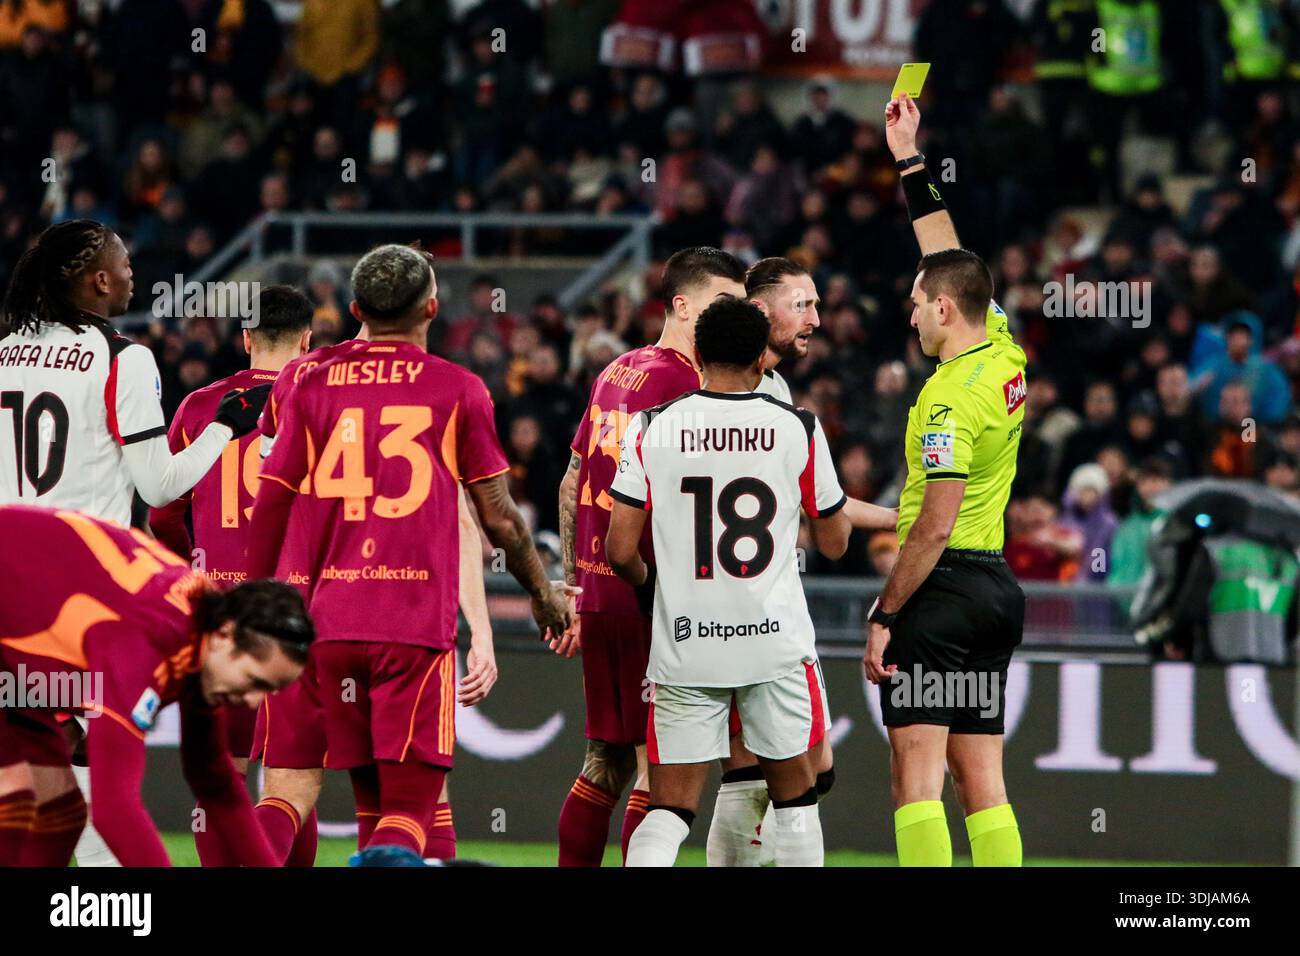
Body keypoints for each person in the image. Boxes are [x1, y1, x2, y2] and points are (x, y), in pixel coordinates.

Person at [246, 243, 570, 866]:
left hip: (321, 626)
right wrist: (542, 593)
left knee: (335, 795)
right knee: (410, 808)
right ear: (432, 306)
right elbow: (498, 518)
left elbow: (272, 496)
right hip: (409, 628)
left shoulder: (304, 380)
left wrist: (252, 602)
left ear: (353, 307)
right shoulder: (458, 390)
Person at [0, 218, 268, 867]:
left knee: (28, 797)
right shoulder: (124, 357)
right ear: (97, 279)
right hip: (85, 592)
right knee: (96, 797)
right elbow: (157, 483)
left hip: (10, 586)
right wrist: (222, 432)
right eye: (123, 264)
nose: (131, 274)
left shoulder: (6, 348)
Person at [609, 297, 850, 867]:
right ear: (761, 356)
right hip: (772, 640)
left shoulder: (652, 427)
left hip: (687, 642)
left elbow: (619, 550)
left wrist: (652, 586)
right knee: (796, 800)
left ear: (697, 351)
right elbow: (836, 543)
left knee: (668, 811)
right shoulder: (798, 427)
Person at [865, 92, 1028, 867]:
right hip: (994, 591)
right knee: (982, 781)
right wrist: (910, 159)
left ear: (941, 310)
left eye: (916, 308)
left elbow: (933, 522)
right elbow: (948, 255)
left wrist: (886, 611)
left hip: (942, 593)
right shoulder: (1000, 348)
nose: (911, 318)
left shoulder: (945, 400)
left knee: (915, 781)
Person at [0, 504, 312, 866]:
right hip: (18, 650)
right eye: (254, 681)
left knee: (57, 811)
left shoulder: (205, 635)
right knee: (22, 798)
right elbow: (114, 809)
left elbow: (213, 779)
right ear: (226, 635)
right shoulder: (147, 642)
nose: (253, 701)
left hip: (19, 659)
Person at [147, 284, 313, 865]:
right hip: (295, 608)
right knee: (292, 782)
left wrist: (194, 567)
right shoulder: (316, 399)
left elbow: (161, 513)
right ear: (308, 339)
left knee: (221, 777)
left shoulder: (198, 407)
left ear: (244, 339)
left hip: (218, 612)